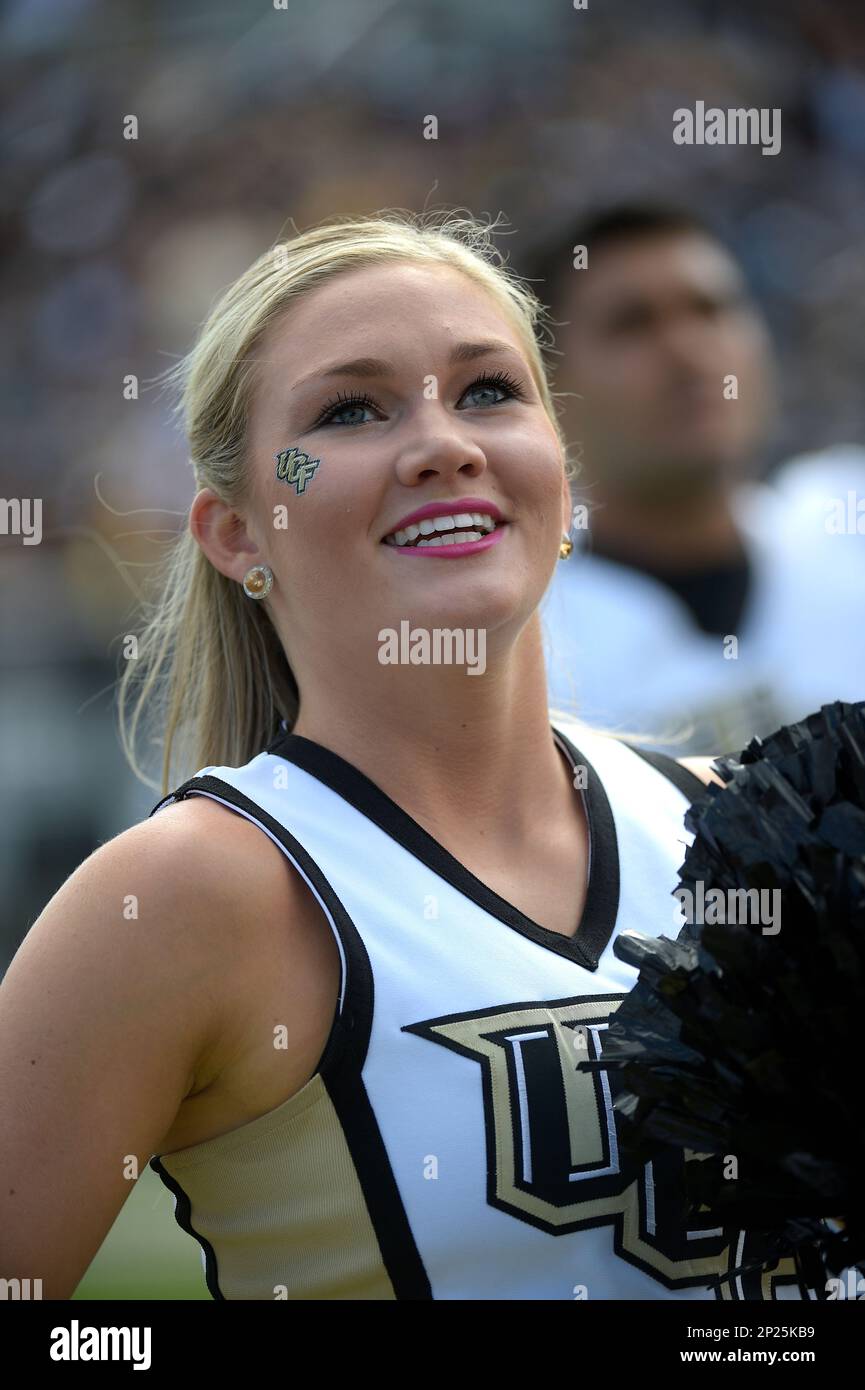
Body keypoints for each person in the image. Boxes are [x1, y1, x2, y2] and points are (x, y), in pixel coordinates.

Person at [0, 210, 816, 1301]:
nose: (445, 443)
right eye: (350, 411)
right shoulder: (191, 894)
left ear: (561, 479)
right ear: (238, 533)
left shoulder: (736, 830)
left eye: (488, 391)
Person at [528, 204, 865, 754]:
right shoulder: (524, 637)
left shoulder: (847, 526)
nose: (688, 352)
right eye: (632, 324)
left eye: (711, 310)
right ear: (546, 387)